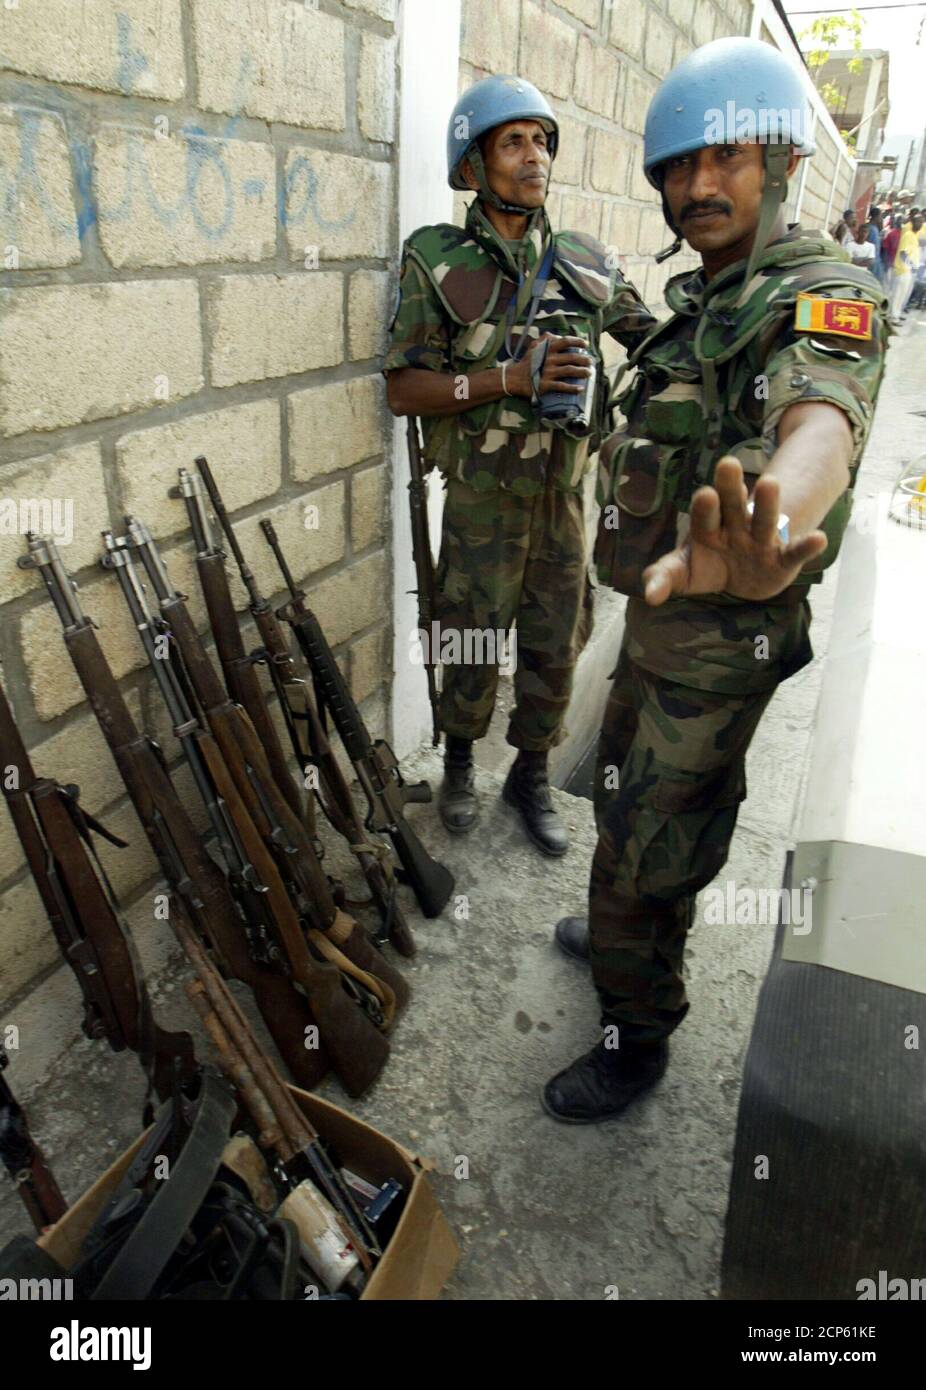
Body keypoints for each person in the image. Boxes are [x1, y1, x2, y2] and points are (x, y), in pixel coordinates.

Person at [543, 36, 888, 1124]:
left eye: (724, 159)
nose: (694, 185)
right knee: (619, 798)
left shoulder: (816, 289)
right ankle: (616, 936)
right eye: (676, 169)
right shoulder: (706, 299)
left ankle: (634, 1031)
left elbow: (817, 419)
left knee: (656, 843)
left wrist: (776, 514)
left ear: (781, 163)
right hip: (655, 618)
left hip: (716, 643)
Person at [383, 76, 655, 857]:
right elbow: (404, 388)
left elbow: (654, 343)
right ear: (473, 165)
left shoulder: (584, 259)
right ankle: (462, 762)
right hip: (480, 500)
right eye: (513, 141)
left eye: (541, 140)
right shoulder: (435, 259)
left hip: (565, 497)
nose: (533, 156)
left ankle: (529, 774)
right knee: (467, 637)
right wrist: (509, 378)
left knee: (555, 643)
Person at [890, 213, 921, 324]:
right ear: (912, 223)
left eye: (921, 222)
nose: (920, 224)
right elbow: (903, 253)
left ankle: (897, 315)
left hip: (907, 271)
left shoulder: (913, 235)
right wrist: (911, 265)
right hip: (902, 270)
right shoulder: (908, 235)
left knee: (902, 295)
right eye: (917, 221)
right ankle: (893, 317)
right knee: (897, 295)